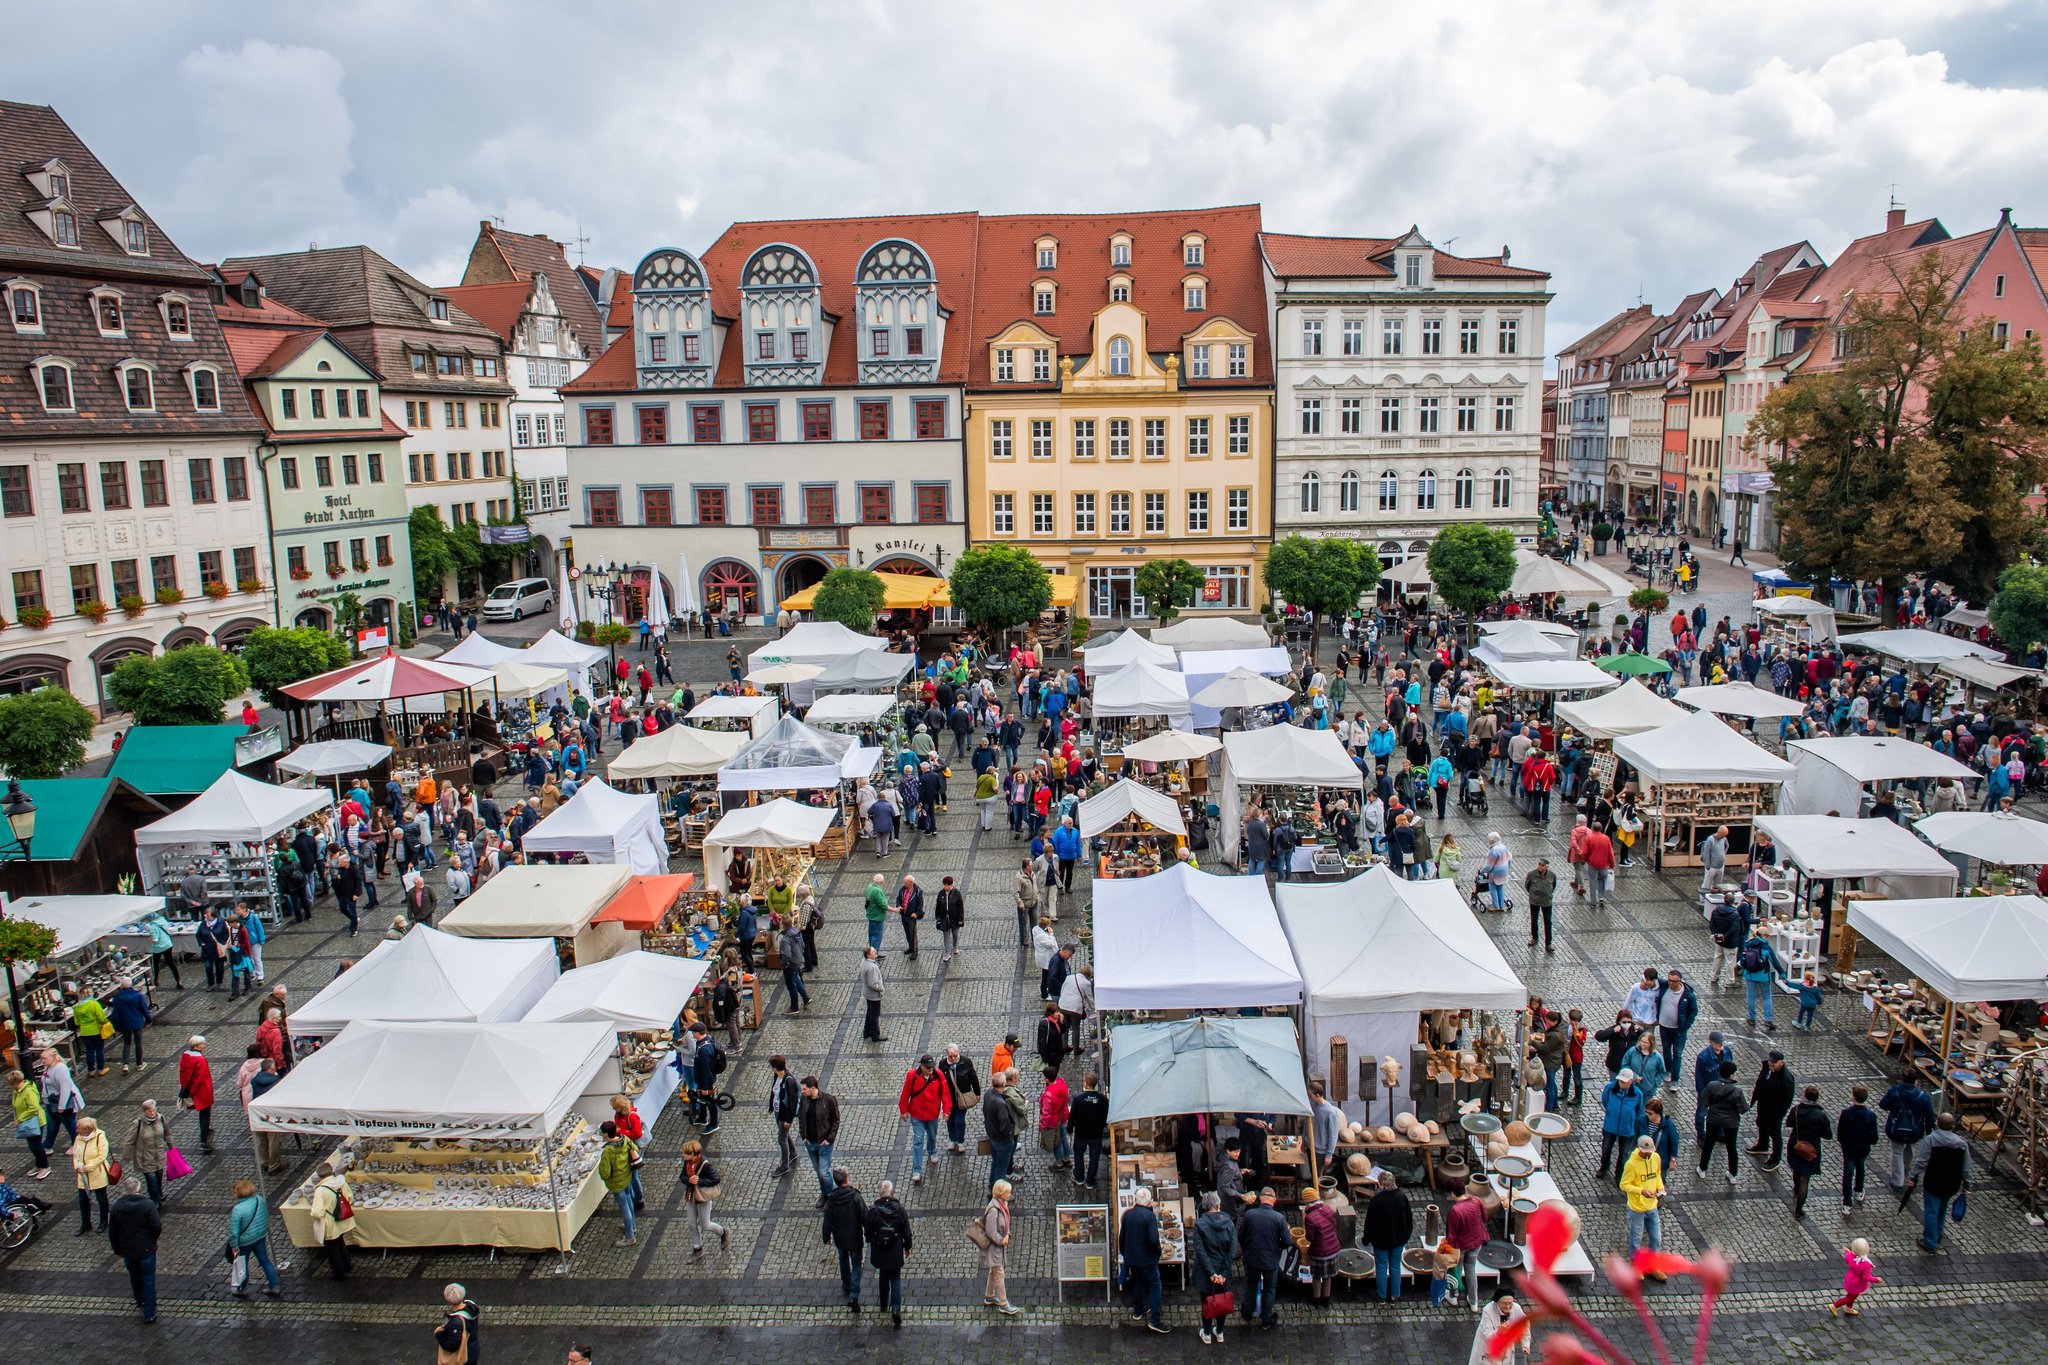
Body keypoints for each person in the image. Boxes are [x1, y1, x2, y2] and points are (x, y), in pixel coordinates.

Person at [1905, 1111, 1971, 1254]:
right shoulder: (1962, 1144)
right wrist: (1967, 1185)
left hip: (1933, 1182)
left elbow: (1922, 1161)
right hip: (1951, 1184)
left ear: (1937, 1124)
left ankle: (1930, 1242)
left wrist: (1913, 1176)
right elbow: (1966, 1168)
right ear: (1953, 1126)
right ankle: (1937, 1235)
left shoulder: (1931, 1140)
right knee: (1942, 1209)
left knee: (1931, 1211)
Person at [106, 1175, 162, 1323]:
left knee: (134, 1276)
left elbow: (112, 1232)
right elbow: (156, 1226)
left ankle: (140, 1300)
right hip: (146, 1249)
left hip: (128, 1250)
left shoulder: (116, 1207)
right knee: (148, 1279)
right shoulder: (147, 1205)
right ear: (138, 1188)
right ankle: (149, 1312)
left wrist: (117, 1249)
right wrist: (152, 1240)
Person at [1238, 1186, 1291, 1330]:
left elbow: (1240, 1236)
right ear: (1274, 1200)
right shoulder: (1279, 1218)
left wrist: (1247, 1249)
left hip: (1252, 1258)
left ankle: (1247, 1312)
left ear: (1261, 1199)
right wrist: (1277, 1246)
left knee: (1250, 1285)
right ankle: (1266, 1319)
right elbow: (1287, 1242)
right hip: (1270, 1260)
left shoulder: (1249, 1215)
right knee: (1269, 1289)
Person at [1191, 1191, 1238, 1344]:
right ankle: (1220, 1331)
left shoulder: (1200, 1224)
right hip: (1223, 1270)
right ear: (1218, 1205)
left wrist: (1211, 1273)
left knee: (1207, 1302)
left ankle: (1206, 1333)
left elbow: (1200, 1251)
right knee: (1221, 1300)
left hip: (1205, 1272)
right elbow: (1232, 1250)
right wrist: (1223, 1273)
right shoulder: (1229, 1222)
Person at [897, 1054, 952, 1186]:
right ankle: (917, 1170)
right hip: (917, 1114)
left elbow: (945, 1093)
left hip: (932, 1114)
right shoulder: (912, 1076)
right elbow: (906, 1093)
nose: (930, 1070)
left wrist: (946, 1110)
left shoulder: (938, 1075)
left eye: (932, 1067)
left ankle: (932, 1150)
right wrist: (903, 1110)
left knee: (932, 1136)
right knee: (918, 1140)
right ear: (921, 1066)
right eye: (928, 1068)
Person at [864, 1178, 913, 1327]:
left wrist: (870, 1240)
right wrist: (908, 1247)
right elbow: (906, 1231)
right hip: (895, 1248)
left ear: (880, 1194)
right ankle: (896, 1308)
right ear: (892, 1193)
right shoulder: (900, 1210)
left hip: (880, 1248)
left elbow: (867, 1231)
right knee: (895, 1277)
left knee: (883, 1275)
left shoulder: (873, 1211)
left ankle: (884, 1303)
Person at [1119, 1185, 1168, 1332]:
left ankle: (1138, 1310)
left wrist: (1125, 1253)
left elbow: (1122, 1237)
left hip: (1132, 1257)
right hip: (1147, 1258)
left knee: (1138, 1282)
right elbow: (1153, 1240)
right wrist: (1158, 1252)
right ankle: (1155, 1320)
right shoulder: (1149, 1216)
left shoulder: (1128, 1214)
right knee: (1155, 1285)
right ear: (1148, 1202)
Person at [1879, 1071, 1936, 1191]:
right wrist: (1929, 1130)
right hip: (1914, 1130)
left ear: (1902, 1079)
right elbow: (1930, 1115)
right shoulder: (1921, 1096)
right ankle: (1905, 1169)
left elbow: (1883, 1105)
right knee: (1910, 1149)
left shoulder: (1894, 1091)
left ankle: (1897, 1181)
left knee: (1897, 1152)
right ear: (1915, 1081)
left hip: (1896, 1129)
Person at [226, 1176, 281, 1296]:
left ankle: (242, 1288)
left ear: (240, 1193)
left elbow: (234, 1232)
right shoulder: (259, 1200)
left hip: (245, 1242)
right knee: (265, 1260)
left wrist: (234, 1247)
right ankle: (274, 1286)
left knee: (242, 1264)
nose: (233, 1194)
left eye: (234, 1192)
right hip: (260, 1236)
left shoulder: (237, 1209)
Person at [822, 1166, 868, 1312]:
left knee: (843, 1260)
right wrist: (868, 1234)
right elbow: (865, 1217)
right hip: (854, 1238)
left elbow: (827, 1220)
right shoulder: (855, 1197)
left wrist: (826, 1236)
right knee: (856, 1264)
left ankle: (846, 1284)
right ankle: (854, 1293)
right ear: (847, 1179)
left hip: (840, 1237)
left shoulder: (831, 1200)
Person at [1363, 1171, 1413, 1301]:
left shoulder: (1376, 1201)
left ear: (1382, 1185)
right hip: (1398, 1240)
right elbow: (1409, 1219)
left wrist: (1366, 1239)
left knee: (1381, 1267)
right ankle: (1395, 1295)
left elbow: (1370, 1224)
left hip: (1380, 1242)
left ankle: (1382, 1295)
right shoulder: (1402, 1197)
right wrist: (1406, 1236)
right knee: (1395, 1266)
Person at [1786, 1084, 1833, 1219]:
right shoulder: (1820, 1115)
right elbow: (1828, 1135)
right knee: (1805, 1179)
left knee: (1796, 1169)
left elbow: (1788, 1123)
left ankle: (1796, 1189)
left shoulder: (1796, 1110)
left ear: (1805, 1096)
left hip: (1796, 1145)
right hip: (1811, 1149)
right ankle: (1798, 1210)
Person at [1620, 1134, 1666, 1261]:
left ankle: (1653, 1262)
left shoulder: (1656, 1158)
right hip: (1636, 1208)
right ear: (1639, 1149)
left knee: (1656, 1238)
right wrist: (1641, 1191)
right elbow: (1624, 1185)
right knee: (1636, 1238)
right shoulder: (1631, 1164)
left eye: (1650, 1151)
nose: (1648, 1154)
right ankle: (1635, 1262)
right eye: (1646, 1152)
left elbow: (1657, 1175)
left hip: (1652, 1206)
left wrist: (1660, 1187)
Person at [979, 1179, 1021, 1315]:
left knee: (994, 1271)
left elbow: (1006, 1224)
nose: (1010, 1194)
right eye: (1008, 1192)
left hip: (999, 1246)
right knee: (999, 1273)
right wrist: (1002, 1240)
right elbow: (991, 1232)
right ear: (1000, 1194)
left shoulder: (1003, 1205)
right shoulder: (993, 1210)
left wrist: (1007, 1234)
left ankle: (989, 1296)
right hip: (994, 1247)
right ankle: (1003, 1304)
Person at [1836, 1084, 1879, 1216]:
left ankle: (1847, 1203)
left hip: (1849, 1148)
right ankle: (1859, 1191)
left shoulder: (1846, 1113)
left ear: (1853, 1097)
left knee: (1848, 1174)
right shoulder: (1871, 1115)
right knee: (1860, 1168)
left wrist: (1844, 1143)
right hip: (1863, 1148)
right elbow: (1874, 1137)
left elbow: (1840, 1133)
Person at [679, 1138, 726, 1256]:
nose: (683, 1155)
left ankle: (723, 1232)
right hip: (691, 1196)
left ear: (693, 1154)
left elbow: (716, 1179)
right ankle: (697, 1248)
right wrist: (689, 1180)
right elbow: (682, 1176)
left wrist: (699, 1181)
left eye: (685, 1153)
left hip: (703, 1198)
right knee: (692, 1224)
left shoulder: (705, 1165)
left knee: (705, 1225)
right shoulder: (687, 1162)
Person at [1748, 1050, 1796, 1169]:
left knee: (1775, 1133)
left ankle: (1776, 1158)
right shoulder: (1768, 1068)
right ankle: (1763, 1145)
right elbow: (1760, 1083)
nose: (1771, 1064)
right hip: (1764, 1104)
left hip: (1775, 1111)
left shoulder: (1786, 1079)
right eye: (1770, 1061)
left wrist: (1778, 1114)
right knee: (1761, 1123)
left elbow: (1786, 1100)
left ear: (1781, 1063)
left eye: (1774, 1062)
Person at [311, 1158, 356, 1279]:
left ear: (319, 1176)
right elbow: (350, 1198)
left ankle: (339, 1273)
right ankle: (347, 1265)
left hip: (330, 1223)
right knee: (341, 1242)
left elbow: (317, 1212)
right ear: (331, 1171)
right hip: (342, 1219)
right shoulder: (341, 1183)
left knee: (332, 1249)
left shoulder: (320, 1190)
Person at [1597, 1069, 1646, 1181]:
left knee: (1624, 1154)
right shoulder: (1610, 1088)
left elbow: (1638, 1110)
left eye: (1624, 1081)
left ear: (1631, 1081)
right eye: (1620, 1080)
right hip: (1610, 1126)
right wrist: (1611, 1113)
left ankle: (1619, 1174)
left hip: (1626, 1129)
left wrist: (1631, 1119)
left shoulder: (1637, 1094)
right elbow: (1605, 1101)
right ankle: (1604, 1166)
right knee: (1605, 1150)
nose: (1621, 1083)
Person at [799, 1077, 840, 1206]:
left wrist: (829, 1139)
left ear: (813, 1088)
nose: (802, 1092)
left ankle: (835, 1194)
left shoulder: (828, 1100)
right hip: (810, 1143)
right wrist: (803, 1136)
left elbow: (836, 1120)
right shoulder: (804, 1099)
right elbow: (801, 1117)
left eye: (804, 1089)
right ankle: (825, 1193)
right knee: (819, 1172)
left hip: (824, 1143)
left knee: (824, 1172)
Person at [598, 1120, 639, 1246]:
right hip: (627, 1176)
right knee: (629, 1200)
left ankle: (630, 1236)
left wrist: (606, 1178)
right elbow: (635, 1149)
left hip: (616, 1182)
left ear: (606, 1135)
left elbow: (605, 1172)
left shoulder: (608, 1151)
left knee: (624, 1207)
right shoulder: (625, 1139)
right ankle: (632, 1226)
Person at [1446, 1188, 1489, 1310]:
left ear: (1453, 1193)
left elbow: (1452, 1233)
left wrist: (1449, 1248)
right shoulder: (1476, 1201)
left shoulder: (1455, 1210)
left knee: (1457, 1269)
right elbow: (1485, 1217)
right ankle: (1474, 1301)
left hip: (1461, 1245)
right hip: (1476, 1242)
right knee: (1471, 1270)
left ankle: (1453, 1296)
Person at [1737, 926, 1786, 1029]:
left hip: (1749, 975)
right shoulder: (1766, 947)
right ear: (1764, 936)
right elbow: (1774, 962)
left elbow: (1742, 958)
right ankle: (1768, 1020)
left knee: (1751, 997)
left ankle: (1752, 1018)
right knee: (1767, 997)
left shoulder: (1747, 944)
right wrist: (1782, 974)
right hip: (1763, 976)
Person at [124, 1099, 171, 1207]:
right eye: (150, 1111)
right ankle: (155, 1202)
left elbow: (167, 1133)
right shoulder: (138, 1124)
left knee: (158, 1179)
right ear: (144, 1111)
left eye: (154, 1109)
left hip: (159, 1156)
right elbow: (129, 1141)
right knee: (152, 1182)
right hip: (145, 1159)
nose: (152, 1112)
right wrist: (126, 1155)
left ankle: (158, 1194)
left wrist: (171, 1145)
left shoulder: (161, 1118)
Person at [70, 1114, 111, 1232]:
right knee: (83, 1200)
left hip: (97, 1174)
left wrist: (87, 1167)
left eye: (79, 1129)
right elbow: (75, 1154)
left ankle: (104, 1221)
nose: (76, 1131)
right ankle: (86, 1223)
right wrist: (76, 1166)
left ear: (87, 1130)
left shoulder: (100, 1137)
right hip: (82, 1176)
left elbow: (101, 1156)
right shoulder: (78, 1138)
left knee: (101, 1199)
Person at [939, 1044, 982, 1156]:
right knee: (950, 1119)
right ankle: (952, 1139)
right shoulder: (942, 1064)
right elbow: (940, 1081)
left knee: (959, 1120)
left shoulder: (966, 1062)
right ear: (947, 1055)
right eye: (950, 1056)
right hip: (948, 1098)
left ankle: (960, 1141)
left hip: (962, 1097)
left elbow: (973, 1077)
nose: (953, 1058)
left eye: (955, 1055)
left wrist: (977, 1092)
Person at [1473, 1292, 1529, 1365]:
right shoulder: (1487, 1311)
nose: (1508, 1306)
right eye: (1505, 1303)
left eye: (1510, 1303)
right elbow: (1488, 1335)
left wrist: (1525, 1345)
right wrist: (1499, 1331)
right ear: (1497, 1302)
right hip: (1487, 1353)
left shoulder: (1516, 1308)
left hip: (1507, 1351)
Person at [108, 980, 151, 1074]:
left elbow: (115, 1014)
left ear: (121, 987)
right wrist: (148, 1020)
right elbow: (145, 1010)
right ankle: (139, 1064)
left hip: (124, 1024)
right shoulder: (138, 996)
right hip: (137, 1023)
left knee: (126, 1043)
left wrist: (116, 1026)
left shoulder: (117, 998)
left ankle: (125, 1064)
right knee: (138, 1042)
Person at [1831, 1237, 1882, 1317]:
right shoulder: (1866, 1264)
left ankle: (1848, 1308)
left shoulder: (1850, 1256)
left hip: (1850, 1280)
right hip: (1857, 1284)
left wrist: (1847, 1251)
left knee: (1851, 1296)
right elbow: (1866, 1277)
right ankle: (1834, 1306)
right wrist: (1876, 1279)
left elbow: (1849, 1256)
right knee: (1850, 1298)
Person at [767, 1056, 800, 1176]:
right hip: (778, 1110)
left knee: (781, 1138)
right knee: (784, 1134)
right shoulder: (777, 1076)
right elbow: (774, 1092)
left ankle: (784, 1165)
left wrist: (789, 1120)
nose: (771, 1068)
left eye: (771, 1066)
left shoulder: (788, 1080)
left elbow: (792, 1102)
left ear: (776, 1068)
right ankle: (793, 1153)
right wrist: (771, 1106)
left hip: (784, 1114)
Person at [433, 1283, 479, 1365]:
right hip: (473, 1348)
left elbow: (452, 1346)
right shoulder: (471, 1306)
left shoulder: (457, 1322)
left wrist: (439, 1335)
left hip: (465, 1355)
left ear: (448, 1301)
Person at [1524, 855, 1557, 952]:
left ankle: (1548, 943)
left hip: (1546, 902)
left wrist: (1548, 894)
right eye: (1539, 865)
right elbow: (1527, 885)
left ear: (1547, 867)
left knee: (1548, 921)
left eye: (1542, 865)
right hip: (1535, 901)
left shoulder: (1552, 875)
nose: (1540, 867)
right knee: (1534, 919)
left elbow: (1553, 885)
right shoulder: (1532, 874)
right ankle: (1534, 937)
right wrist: (1533, 894)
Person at [778, 917, 809, 1015]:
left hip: (791, 964)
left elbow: (786, 954)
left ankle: (794, 1007)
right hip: (798, 960)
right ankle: (806, 998)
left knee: (791, 985)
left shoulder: (786, 939)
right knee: (795, 979)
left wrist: (785, 964)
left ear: (783, 925)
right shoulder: (797, 933)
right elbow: (803, 946)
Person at [934, 875, 966, 962]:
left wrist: (961, 918)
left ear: (950, 885)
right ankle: (947, 953)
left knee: (955, 934)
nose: (944, 887)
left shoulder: (957, 893)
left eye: (946, 885)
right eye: (944, 885)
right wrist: (937, 917)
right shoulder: (941, 893)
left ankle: (955, 947)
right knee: (946, 936)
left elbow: (960, 907)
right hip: (945, 919)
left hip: (955, 919)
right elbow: (938, 906)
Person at [859, 946, 887, 1043]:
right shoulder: (872, 967)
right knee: (875, 1015)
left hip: (867, 993)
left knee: (870, 1012)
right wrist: (881, 988)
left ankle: (867, 1031)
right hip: (874, 995)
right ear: (868, 955)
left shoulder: (864, 962)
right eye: (873, 952)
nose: (875, 952)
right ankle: (875, 1035)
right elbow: (872, 984)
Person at [864, 874, 889, 953]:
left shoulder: (870, 887)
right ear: (882, 882)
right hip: (877, 916)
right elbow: (884, 905)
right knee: (876, 937)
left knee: (871, 935)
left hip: (870, 915)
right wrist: (895, 910)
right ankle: (873, 954)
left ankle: (872, 952)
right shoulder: (878, 891)